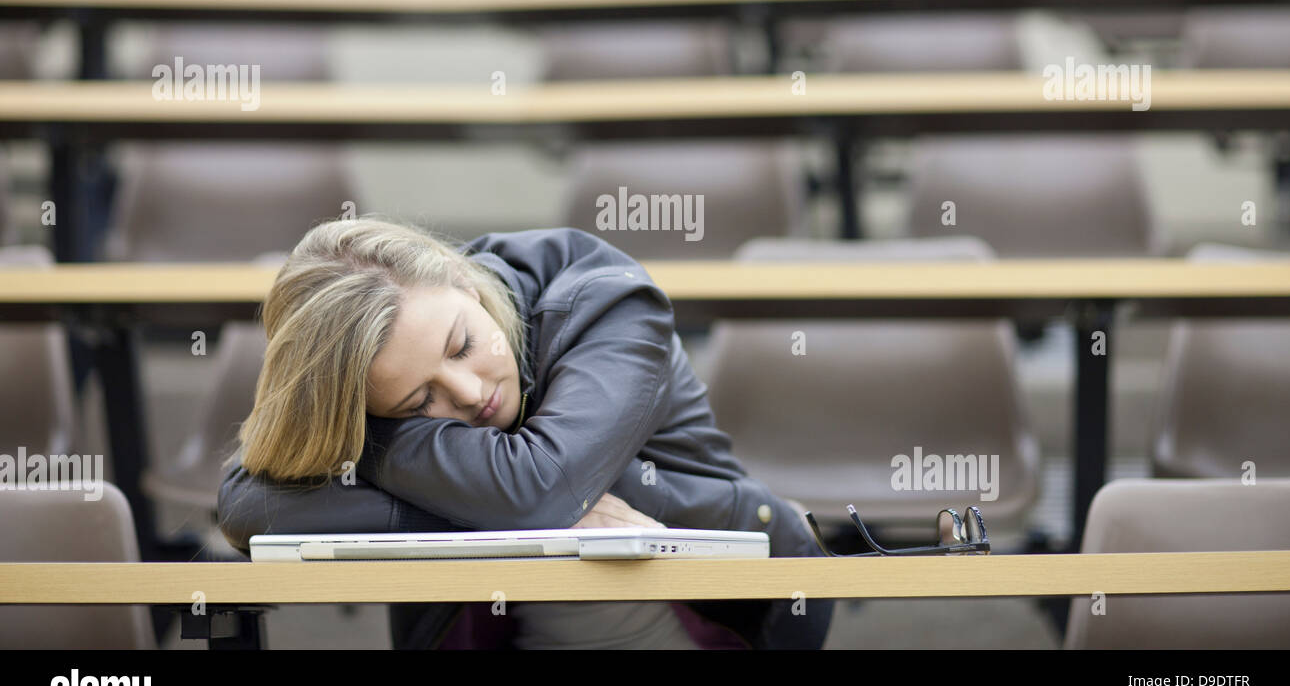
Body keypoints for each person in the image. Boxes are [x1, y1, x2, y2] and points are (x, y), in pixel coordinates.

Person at [217, 216, 833, 649]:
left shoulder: (608, 300)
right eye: (417, 400)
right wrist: (452, 500)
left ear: (464, 281)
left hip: (703, 620)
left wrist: (376, 442)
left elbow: (539, 486)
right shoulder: (379, 394)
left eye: (461, 345)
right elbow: (249, 503)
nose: (467, 393)